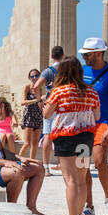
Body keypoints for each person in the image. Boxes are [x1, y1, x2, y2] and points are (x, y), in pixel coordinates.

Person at [42, 56, 100, 215]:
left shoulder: (59, 92)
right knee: (81, 179)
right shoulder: (91, 91)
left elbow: (46, 114)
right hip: (86, 138)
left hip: (65, 138)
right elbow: (97, 116)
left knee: (70, 180)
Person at [78, 37, 108, 215]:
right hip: (81, 125)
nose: (84, 57)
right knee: (82, 165)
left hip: (102, 123)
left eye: (87, 54)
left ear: (98, 53)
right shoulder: (81, 71)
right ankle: (88, 205)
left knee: (100, 162)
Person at [39, 45, 65, 176]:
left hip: (50, 104)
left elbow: (36, 86)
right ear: (63, 56)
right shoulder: (67, 70)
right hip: (64, 105)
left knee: (47, 135)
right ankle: (62, 164)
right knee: (62, 134)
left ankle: (46, 166)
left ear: (51, 56)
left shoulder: (47, 71)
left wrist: (39, 101)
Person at [19, 68, 44, 158]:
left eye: (37, 75)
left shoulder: (40, 89)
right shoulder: (27, 88)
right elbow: (22, 102)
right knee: (27, 143)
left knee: (35, 144)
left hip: (38, 116)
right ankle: (18, 161)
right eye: (32, 76)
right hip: (29, 115)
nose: (34, 78)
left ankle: (31, 162)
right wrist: (36, 100)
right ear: (29, 78)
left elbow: (41, 104)